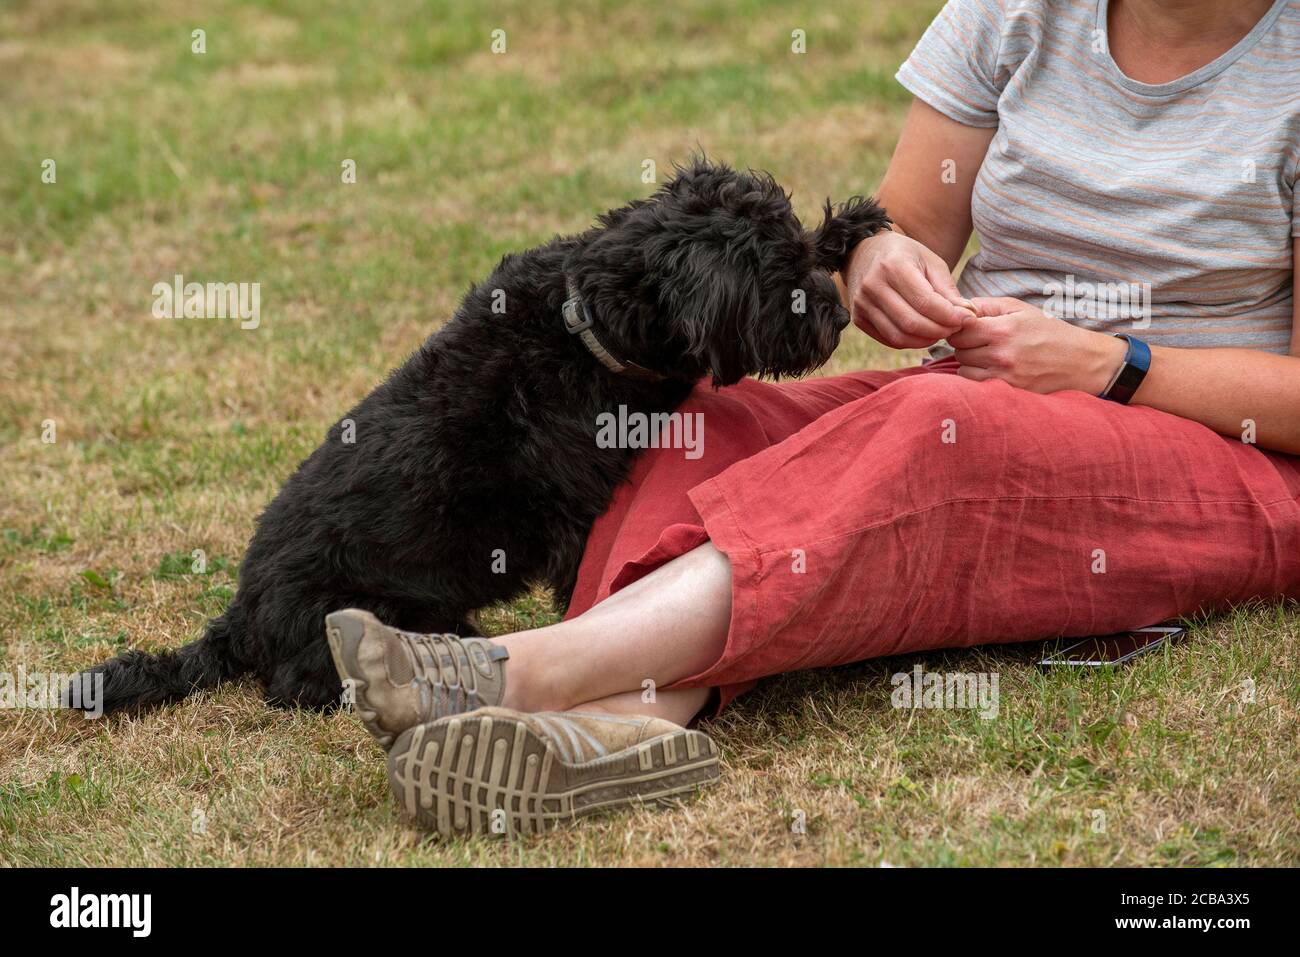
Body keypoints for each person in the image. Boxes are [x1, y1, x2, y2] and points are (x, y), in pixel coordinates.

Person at [330, 0, 1300, 836]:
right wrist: (877, 259)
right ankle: (628, 723)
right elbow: (904, 222)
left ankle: (514, 673)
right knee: (703, 421)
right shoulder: (1013, 15)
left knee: (932, 430)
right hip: (979, 393)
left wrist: (1105, 365)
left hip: (1221, 457)